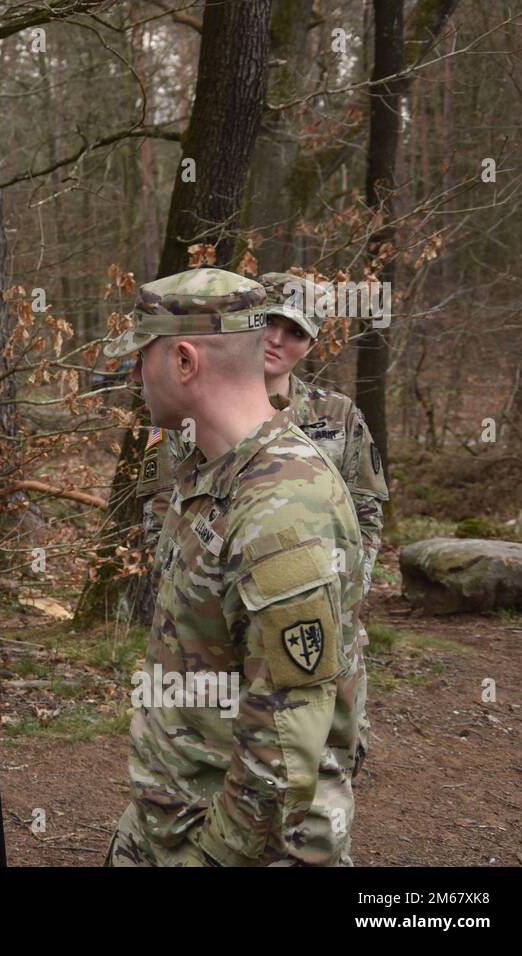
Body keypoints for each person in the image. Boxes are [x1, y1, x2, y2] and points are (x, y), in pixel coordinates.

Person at [103, 268, 364, 866]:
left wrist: (209, 857)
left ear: (185, 361)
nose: (136, 375)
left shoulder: (282, 509)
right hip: (178, 810)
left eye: (144, 356)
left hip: (232, 844)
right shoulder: (209, 471)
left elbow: (283, 749)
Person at [135, 272, 387, 773]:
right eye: (269, 323)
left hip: (308, 611)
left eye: (294, 332)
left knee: (301, 752)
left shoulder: (337, 416)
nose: (276, 339)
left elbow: (367, 511)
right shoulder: (187, 414)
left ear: (311, 342)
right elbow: (162, 508)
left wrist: (338, 581)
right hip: (211, 628)